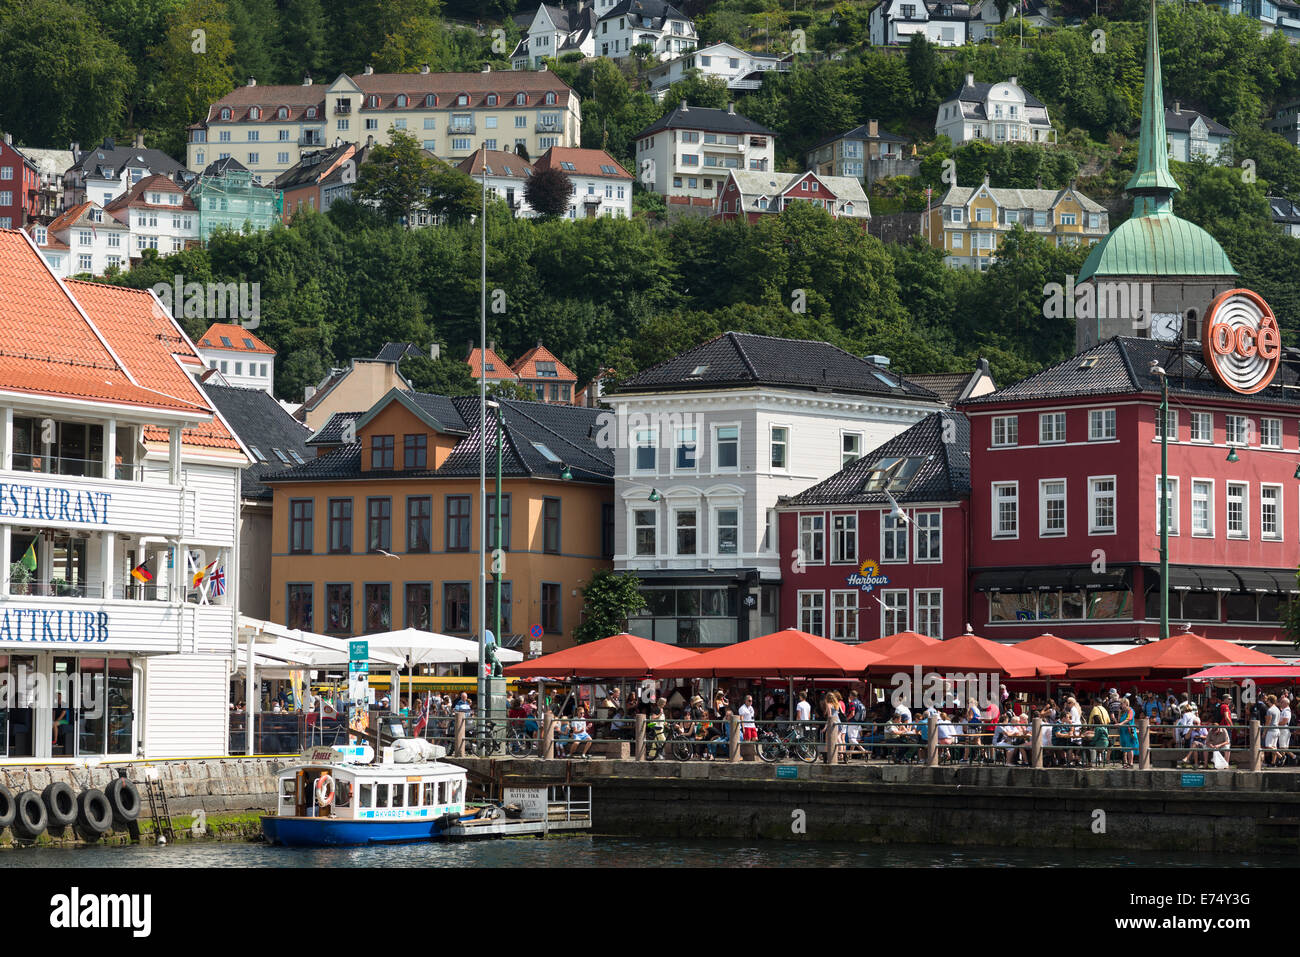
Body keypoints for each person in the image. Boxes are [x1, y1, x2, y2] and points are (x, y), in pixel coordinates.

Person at [1116, 698, 1138, 768]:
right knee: (1126, 747)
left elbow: (1129, 719)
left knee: (1130, 747)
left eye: (1122, 703)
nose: (1121, 705)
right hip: (1123, 732)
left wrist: (1121, 724)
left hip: (1128, 731)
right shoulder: (1123, 712)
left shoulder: (1130, 710)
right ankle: (1128, 763)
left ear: (1126, 703)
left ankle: (1130, 763)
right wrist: (1119, 713)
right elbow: (1119, 720)